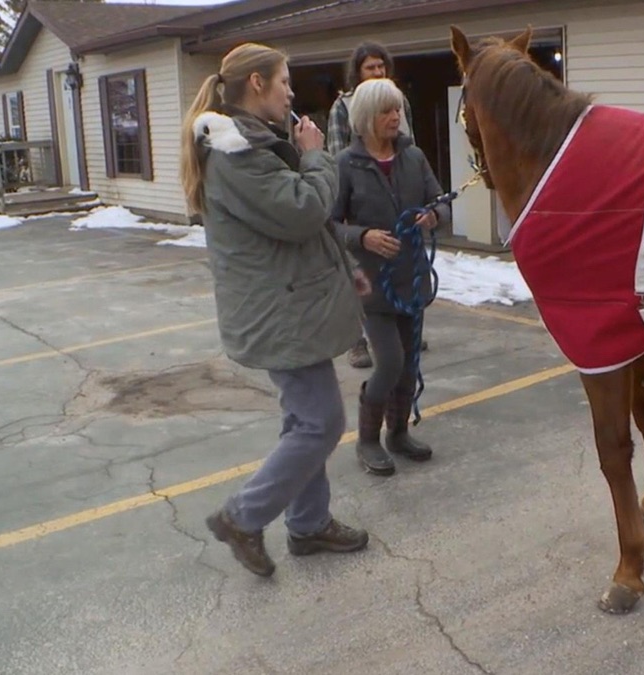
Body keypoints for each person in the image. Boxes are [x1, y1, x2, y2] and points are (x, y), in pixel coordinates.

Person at [179, 42, 370, 576]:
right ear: (257, 83)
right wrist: (316, 155)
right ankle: (242, 518)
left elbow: (300, 228)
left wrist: (345, 265)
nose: (291, 92)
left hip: (290, 303)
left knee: (302, 421)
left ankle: (308, 524)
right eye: (284, 81)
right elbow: (303, 209)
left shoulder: (254, 143)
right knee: (321, 423)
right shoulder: (237, 153)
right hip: (280, 312)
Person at [332, 77, 449, 476]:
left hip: (411, 279)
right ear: (366, 117)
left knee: (410, 364)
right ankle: (368, 439)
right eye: (386, 110)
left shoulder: (414, 157)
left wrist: (433, 215)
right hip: (371, 284)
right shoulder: (346, 165)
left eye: (397, 108)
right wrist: (363, 236)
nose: (395, 116)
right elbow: (329, 224)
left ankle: (398, 433)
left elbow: (440, 202)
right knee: (390, 363)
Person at [327, 41, 424, 369]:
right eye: (370, 67)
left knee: (399, 266)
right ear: (358, 72)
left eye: (381, 66)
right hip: (359, 199)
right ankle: (357, 341)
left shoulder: (399, 101)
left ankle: (401, 324)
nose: (377, 71)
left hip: (394, 190)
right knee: (359, 277)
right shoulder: (343, 107)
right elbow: (338, 154)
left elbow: (409, 142)